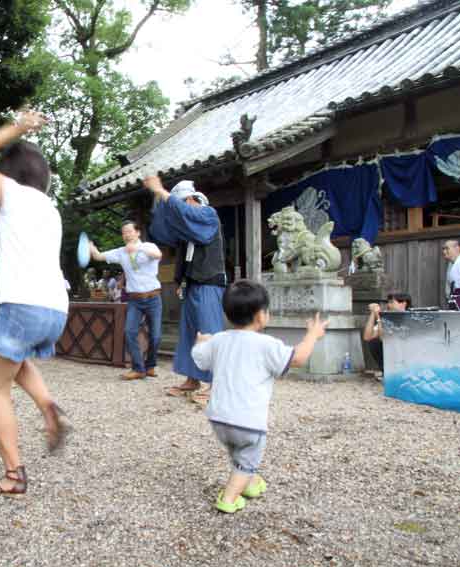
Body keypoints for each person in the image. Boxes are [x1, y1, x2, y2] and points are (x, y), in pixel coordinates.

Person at [0, 109, 70, 495]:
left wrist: (17, 127)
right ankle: (47, 405)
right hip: (54, 306)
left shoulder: (12, 193)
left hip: (22, 304)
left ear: (9, 174)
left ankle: (13, 475)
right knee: (15, 358)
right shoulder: (49, 208)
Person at [192, 280, 327, 513]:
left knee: (239, 450)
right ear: (261, 316)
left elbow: (199, 358)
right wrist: (313, 336)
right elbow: (297, 358)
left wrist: (201, 341)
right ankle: (229, 498)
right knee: (248, 457)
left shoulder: (218, 340)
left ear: (227, 314)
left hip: (218, 418)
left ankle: (251, 483)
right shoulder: (266, 344)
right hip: (248, 420)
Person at [145, 176, 226, 405]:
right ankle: (193, 380)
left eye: (181, 205)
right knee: (190, 335)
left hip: (209, 283)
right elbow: (162, 233)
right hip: (192, 284)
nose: (180, 213)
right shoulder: (186, 229)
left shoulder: (208, 214)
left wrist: (163, 192)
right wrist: (160, 200)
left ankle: (217, 385)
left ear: (191, 199)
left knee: (209, 333)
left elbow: (190, 215)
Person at [89, 221, 163, 380]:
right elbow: (99, 256)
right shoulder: (121, 252)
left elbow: (158, 255)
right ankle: (138, 368)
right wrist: (90, 247)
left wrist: (137, 248)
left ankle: (150, 366)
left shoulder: (149, 246)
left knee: (156, 336)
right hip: (134, 299)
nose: (126, 235)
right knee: (130, 332)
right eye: (124, 233)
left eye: (129, 231)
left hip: (153, 297)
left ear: (138, 233)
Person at [363, 291, 411, 373]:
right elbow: (367, 337)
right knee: (373, 342)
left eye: (392, 302)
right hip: (393, 356)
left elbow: (385, 339)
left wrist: (378, 317)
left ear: (403, 303)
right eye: (388, 302)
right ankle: (386, 372)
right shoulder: (388, 318)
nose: (389, 305)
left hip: (407, 357)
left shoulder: (412, 318)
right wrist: (373, 314)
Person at [443, 240, 460, 309]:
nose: (444, 251)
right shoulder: (451, 264)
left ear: (457, 248)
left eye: (447, 248)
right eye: (443, 249)